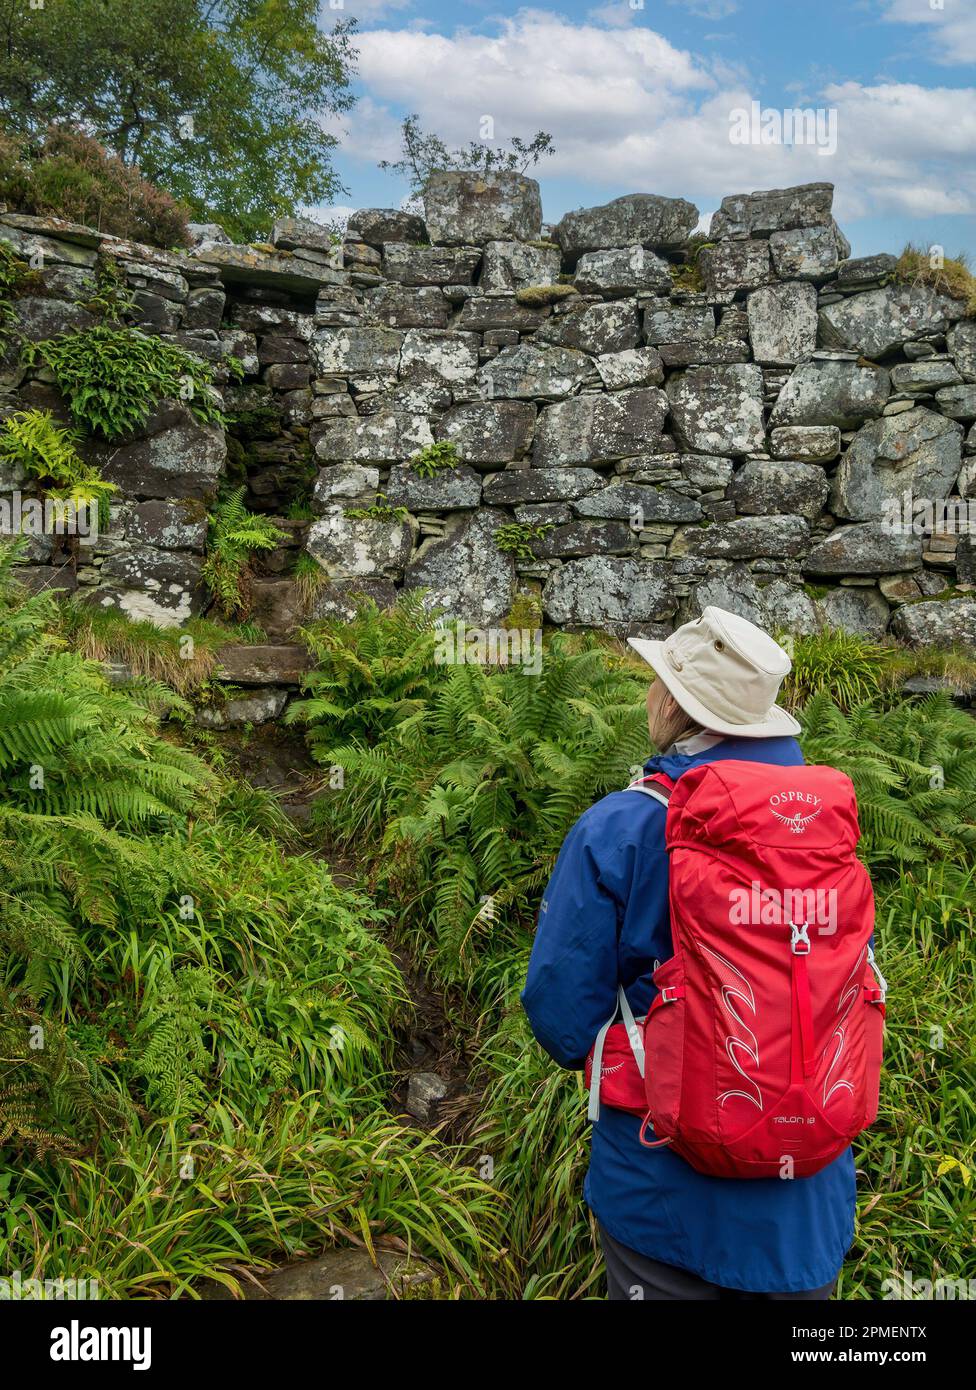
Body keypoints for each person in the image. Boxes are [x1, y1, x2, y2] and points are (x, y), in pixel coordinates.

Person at [521, 606, 854, 1301]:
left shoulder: (624, 824)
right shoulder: (821, 825)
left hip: (663, 1188)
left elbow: (558, 1007)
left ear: (672, 703)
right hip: (806, 1198)